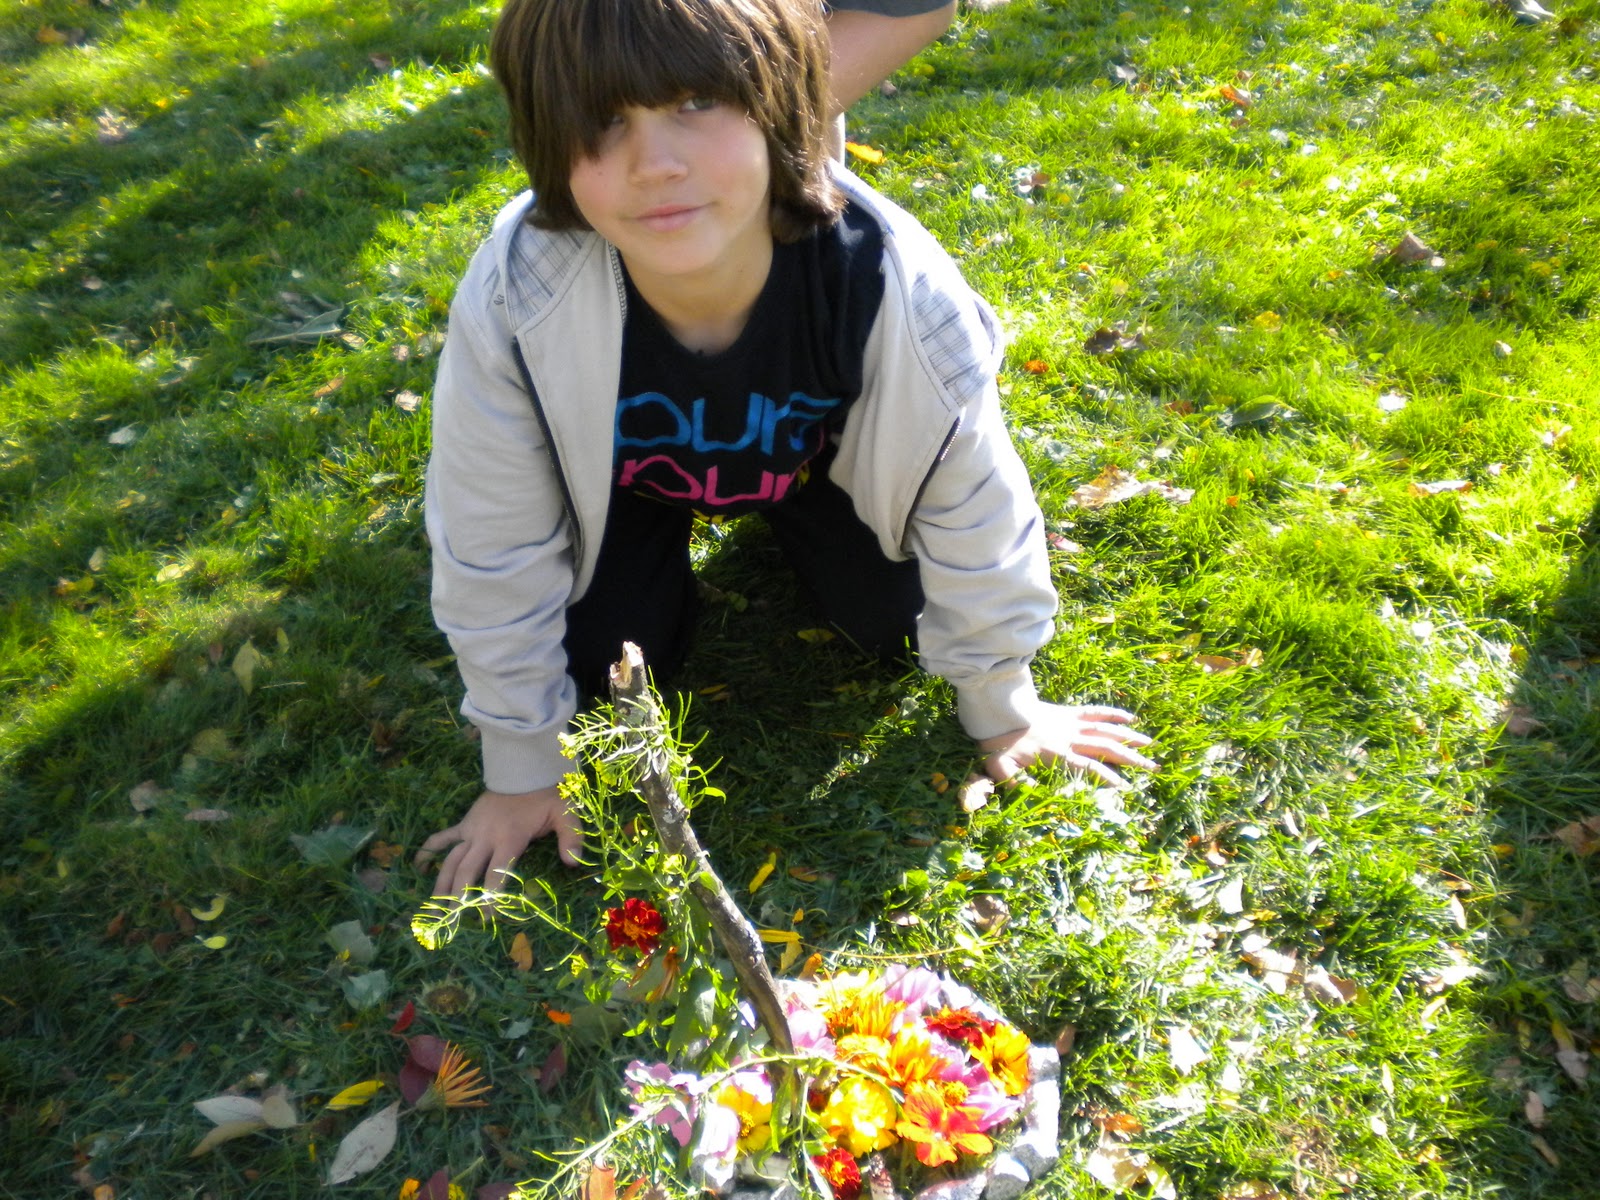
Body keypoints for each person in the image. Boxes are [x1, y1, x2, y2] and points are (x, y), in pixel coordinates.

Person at [415, 0, 1156, 897]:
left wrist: (1001, 706)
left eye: (695, 102)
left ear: (784, 107)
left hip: (816, 463)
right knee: (597, 672)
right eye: (605, 122)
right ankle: (660, 556)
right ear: (547, 152)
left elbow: (972, 494)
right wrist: (522, 765)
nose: (656, 164)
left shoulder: (892, 284)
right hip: (617, 489)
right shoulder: (515, 294)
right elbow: (489, 534)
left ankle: (789, 510)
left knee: (896, 622)